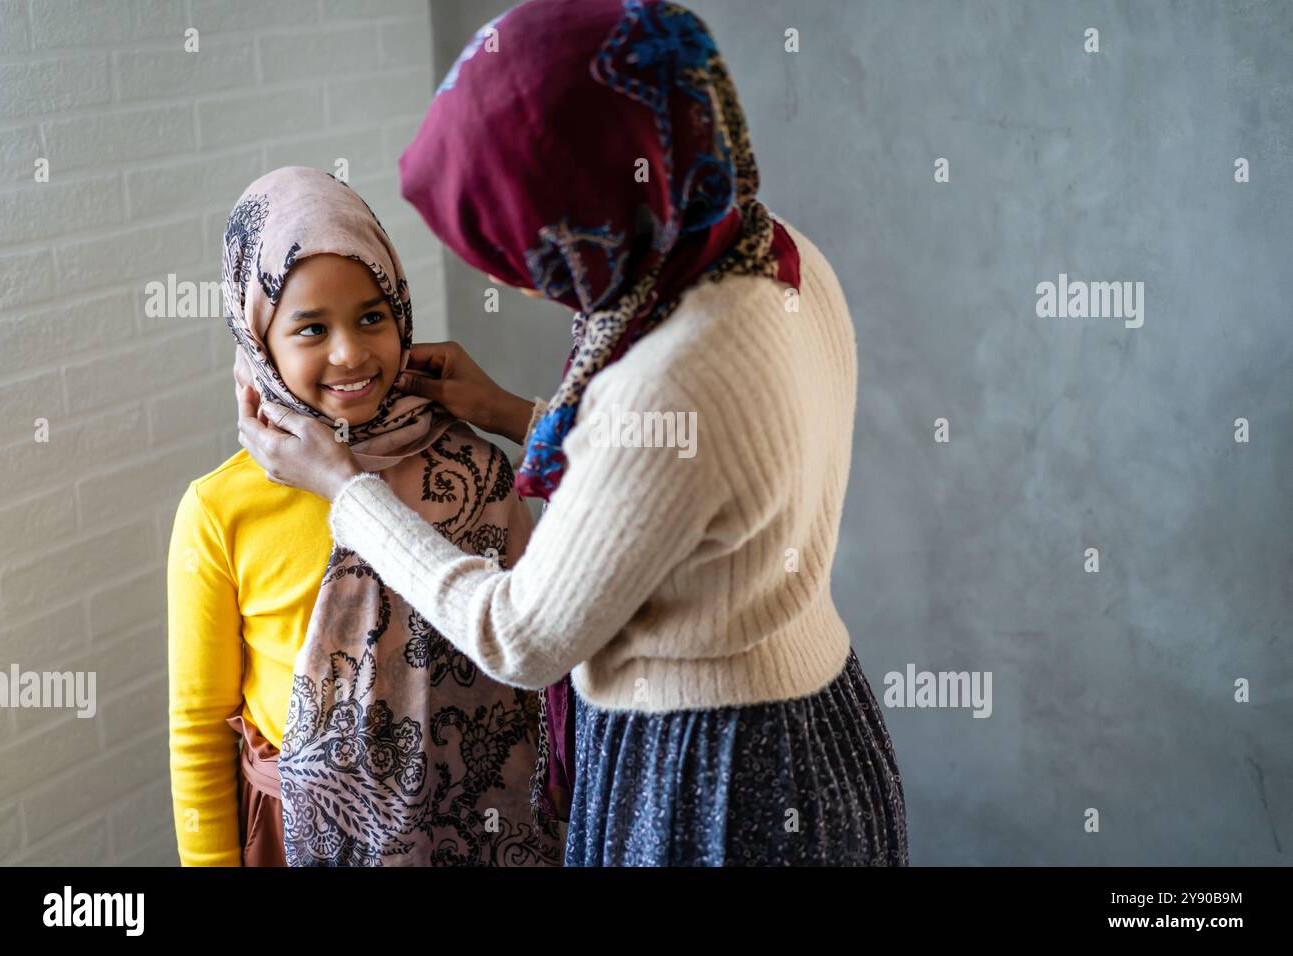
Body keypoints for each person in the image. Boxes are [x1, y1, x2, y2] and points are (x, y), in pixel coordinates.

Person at [237, 0, 909, 866]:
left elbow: (518, 635)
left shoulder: (669, 373)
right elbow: (702, 485)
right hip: (816, 722)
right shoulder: (768, 250)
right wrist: (521, 415)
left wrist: (347, 490)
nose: (521, 287)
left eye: (524, 249)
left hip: (712, 778)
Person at [167, 166, 562, 866]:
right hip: (297, 833)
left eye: (371, 317)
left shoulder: (472, 469)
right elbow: (199, 727)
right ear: (258, 338)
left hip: (481, 821)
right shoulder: (221, 508)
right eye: (311, 328)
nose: (349, 352)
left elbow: (540, 658)